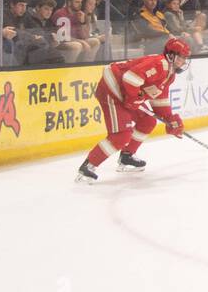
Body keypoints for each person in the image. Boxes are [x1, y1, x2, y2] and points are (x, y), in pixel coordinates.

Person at [76, 37, 191, 183]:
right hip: (112, 89)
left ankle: (127, 156)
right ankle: (88, 167)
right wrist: (135, 97)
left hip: (126, 93)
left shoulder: (169, 74)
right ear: (171, 55)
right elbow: (130, 78)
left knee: (147, 121)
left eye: (185, 58)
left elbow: (159, 100)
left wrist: (169, 119)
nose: (184, 61)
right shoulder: (159, 64)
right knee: (121, 135)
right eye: (181, 57)